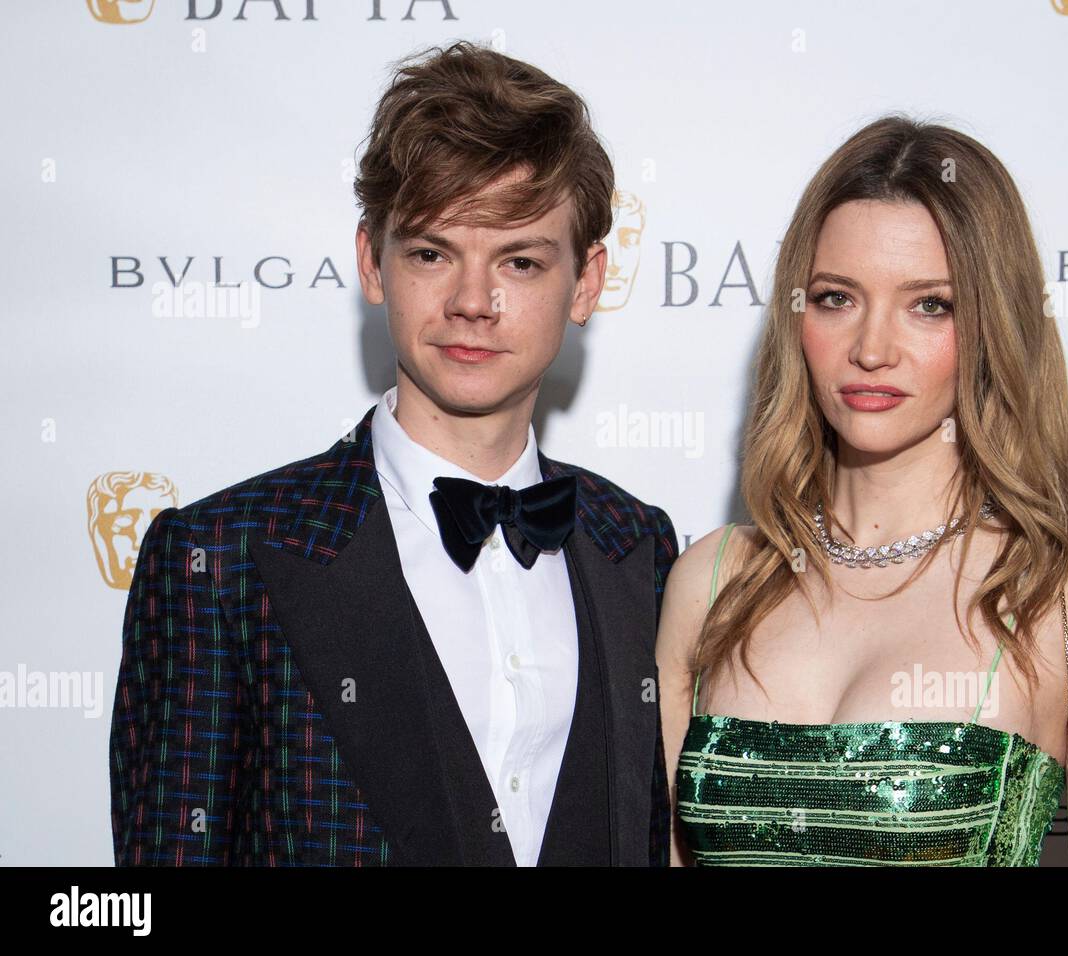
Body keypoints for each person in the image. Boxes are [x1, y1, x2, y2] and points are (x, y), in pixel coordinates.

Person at [109, 41, 677, 866]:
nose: (473, 303)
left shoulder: (639, 546)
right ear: (373, 261)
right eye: (432, 254)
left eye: (519, 261)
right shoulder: (217, 559)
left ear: (586, 282)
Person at [656, 115, 1068, 866]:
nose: (872, 349)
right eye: (837, 298)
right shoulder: (712, 578)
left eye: (929, 305)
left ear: (992, 324)